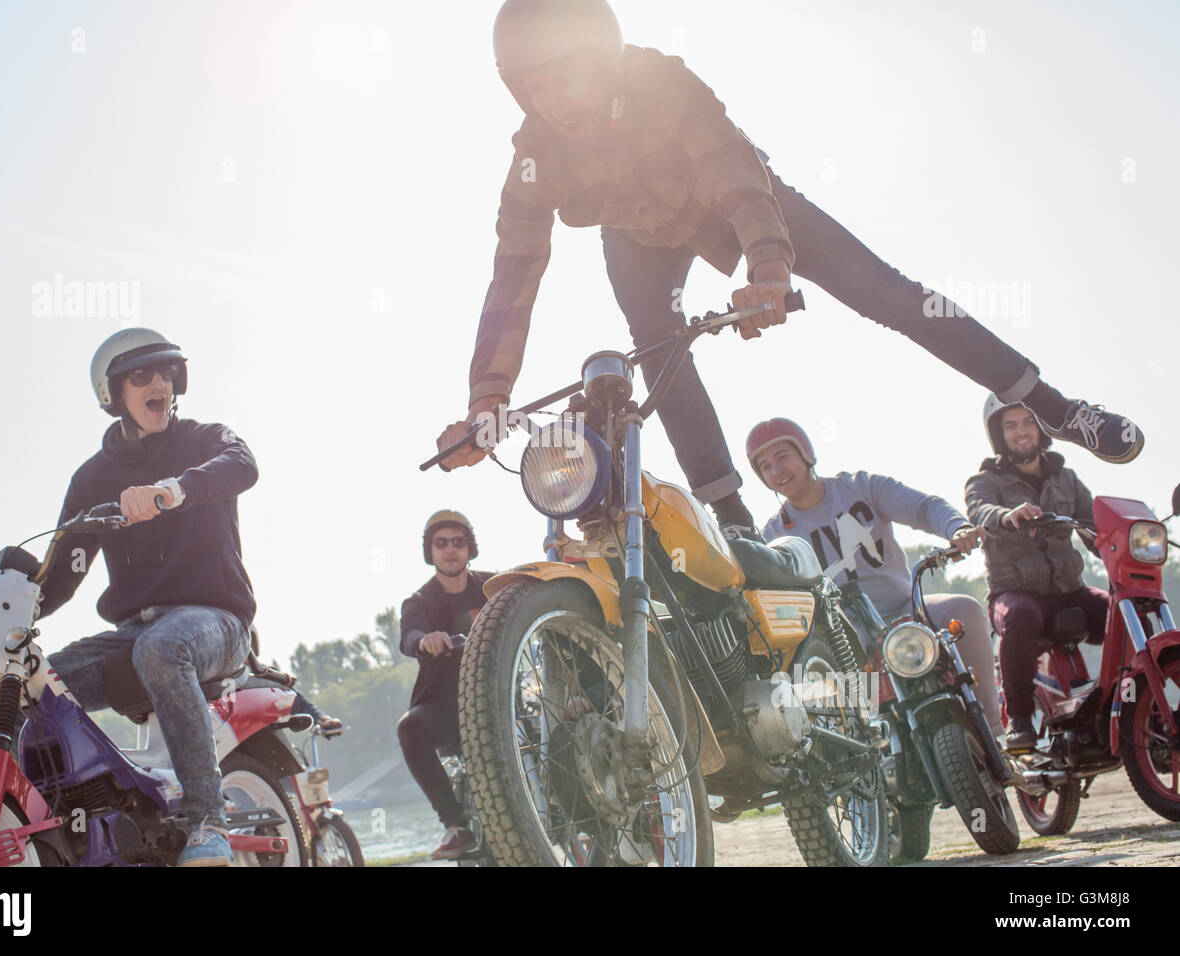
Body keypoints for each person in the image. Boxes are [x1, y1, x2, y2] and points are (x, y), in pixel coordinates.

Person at [436, 0, 1142, 538]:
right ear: (520, 90)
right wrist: (487, 397)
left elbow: (734, 175)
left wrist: (767, 265)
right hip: (639, 235)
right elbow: (514, 273)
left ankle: (1058, 407)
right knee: (652, 340)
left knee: (885, 292)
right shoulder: (533, 156)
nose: (565, 101)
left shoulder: (662, 83)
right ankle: (734, 518)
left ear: (607, 62)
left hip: (736, 199)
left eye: (576, 77)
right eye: (543, 86)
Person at [38, 328, 260, 866]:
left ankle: (208, 821)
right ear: (113, 394)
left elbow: (243, 466)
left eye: (166, 372)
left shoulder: (206, 440)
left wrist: (173, 490)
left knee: (160, 648)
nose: (159, 382)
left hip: (216, 621)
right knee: (36, 689)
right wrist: (9, 601)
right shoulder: (93, 479)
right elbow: (65, 573)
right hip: (135, 630)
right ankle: (64, 830)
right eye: (143, 376)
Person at [748, 418, 1003, 735]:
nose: (776, 471)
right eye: (765, 466)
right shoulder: (773, 537)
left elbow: (923, 507)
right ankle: (868, 762)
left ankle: (994, 731)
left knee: (963, 609)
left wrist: (957, 528)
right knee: (819, 695)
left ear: (806, 453)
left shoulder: (861, 487)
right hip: (845, 641)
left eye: (783, 456)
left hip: (906, 613)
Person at [964, 396, 1109, 751]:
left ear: (1041, 426)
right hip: (1014, 593)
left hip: (1069, 590)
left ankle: (1125, 702)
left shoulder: (1067, 479)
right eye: (1010, 425)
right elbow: (979, 508)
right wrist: (1005, 515)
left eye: (1028, 421)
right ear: (999, 435)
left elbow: (1097, 527)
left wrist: (1122, 539)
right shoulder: (985, 480)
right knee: (1021, 616)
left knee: (1119, 609)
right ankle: (1019, 719)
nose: (1021, 432)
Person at [397, 510, 492, 860]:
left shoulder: (494, 587)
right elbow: (409, 635)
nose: (450, 550)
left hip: (501, 695)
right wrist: (426, 640)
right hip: (448, 706)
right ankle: (455, 825)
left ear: (470, 548)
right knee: (410, 728)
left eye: (458, 542)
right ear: (430, 551)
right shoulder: (419, 602)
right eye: (441, 544)